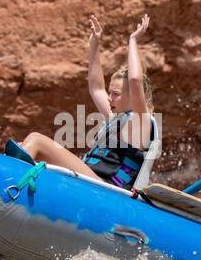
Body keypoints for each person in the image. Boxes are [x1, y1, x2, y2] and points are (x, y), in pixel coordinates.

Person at [15, 14, 161, 189]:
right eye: (110, 93)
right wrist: (94, 44)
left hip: (107, 191)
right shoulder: (116, 119)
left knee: (36, 141)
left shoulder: (141, 124)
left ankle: (7, 184)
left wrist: (133, 41)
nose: (109, 98)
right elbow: (96, 87)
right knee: (21, 146)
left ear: (132, 98)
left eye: (115, 94)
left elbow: (135, 81)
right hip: (91, 183)